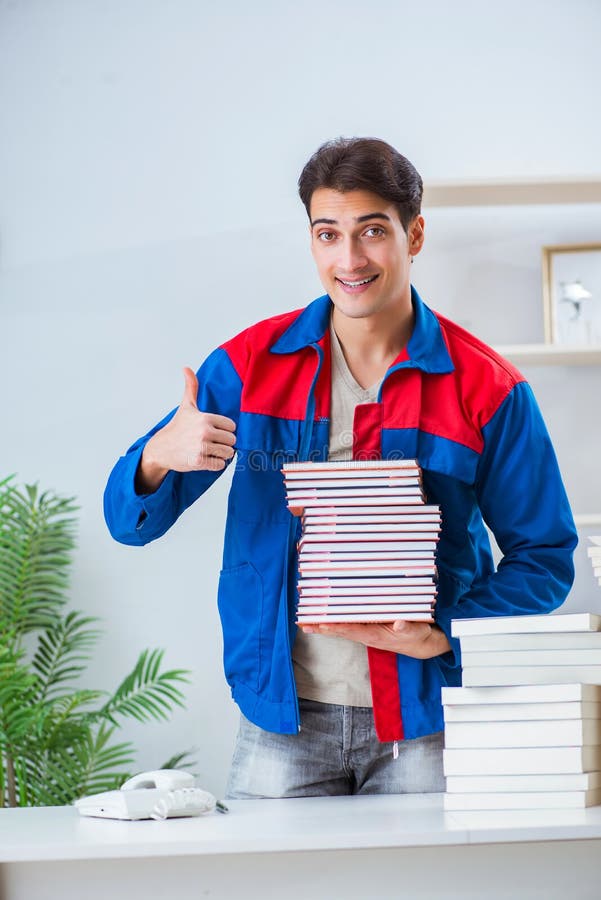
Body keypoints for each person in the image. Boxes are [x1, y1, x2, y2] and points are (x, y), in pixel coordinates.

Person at [103, 137, 577, 799]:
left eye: (372, 232)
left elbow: (545, 555)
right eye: (328, 234)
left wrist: (447, 634)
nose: (349, 259)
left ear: (414, 235)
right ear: (311, 241)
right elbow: (129, 525)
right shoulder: (245, 367)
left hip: (424, 719)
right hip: (282, 719)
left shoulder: (486, 388)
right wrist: (157, 457)